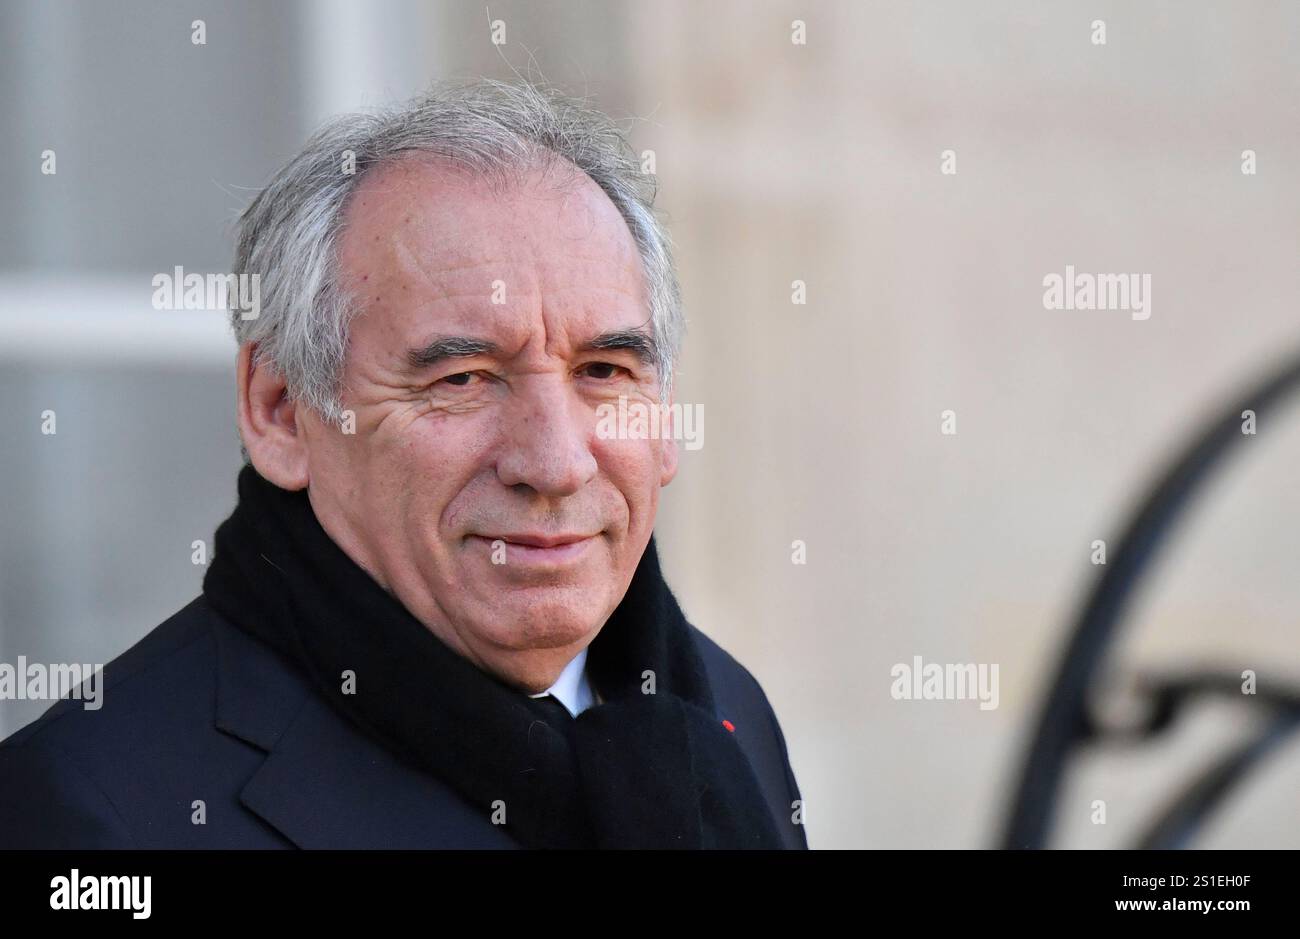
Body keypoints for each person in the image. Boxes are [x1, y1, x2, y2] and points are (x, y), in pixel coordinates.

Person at [0, 78, 807, 849]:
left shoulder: (726, 713)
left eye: (603, 371)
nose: (556, 463)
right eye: (462, 379)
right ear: (280, 412)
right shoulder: (92, 807)